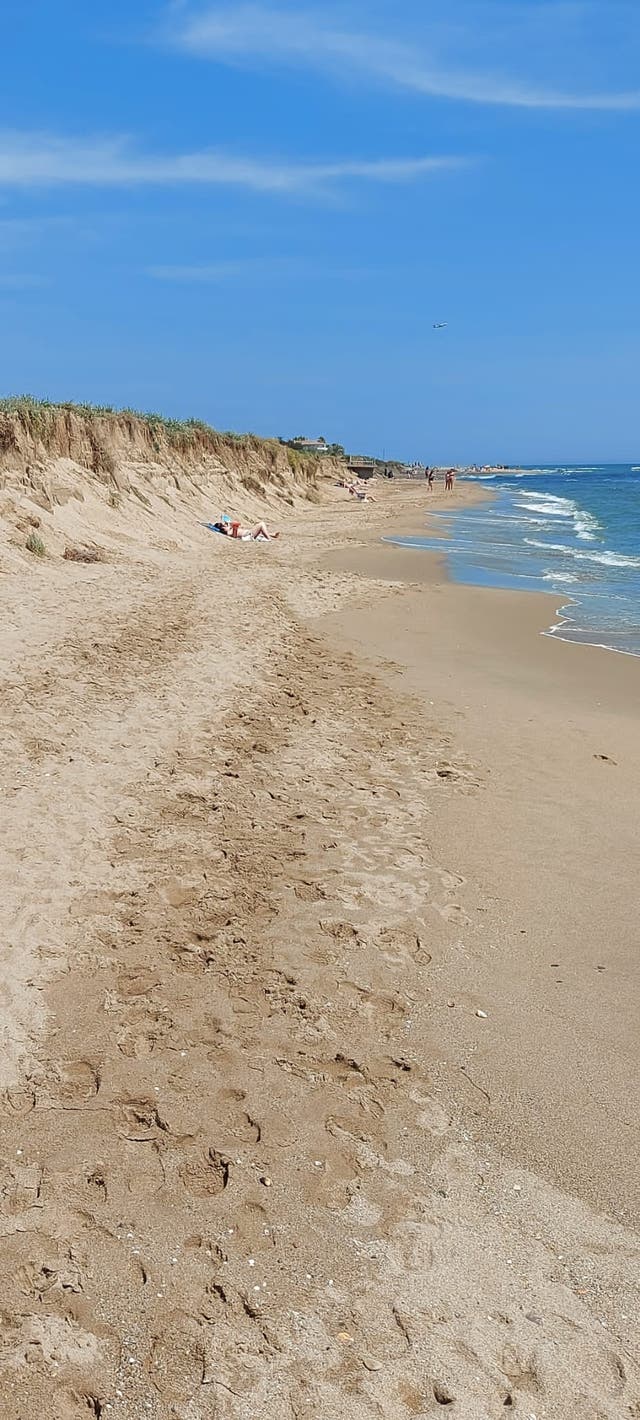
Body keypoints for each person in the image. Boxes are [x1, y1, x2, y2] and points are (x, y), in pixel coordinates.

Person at [212, 516, 280, 540]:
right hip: (248, 535)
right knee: (261, 524)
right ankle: (269, 539)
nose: (226, 525)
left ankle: (272, 534)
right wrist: (234, 527)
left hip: (248, 533)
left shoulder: (229, 529)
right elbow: (235, 535)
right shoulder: (228, 532)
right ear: (222, 529)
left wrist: (231, 525)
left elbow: (238, 524)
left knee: (260, 531)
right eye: (224, 526)